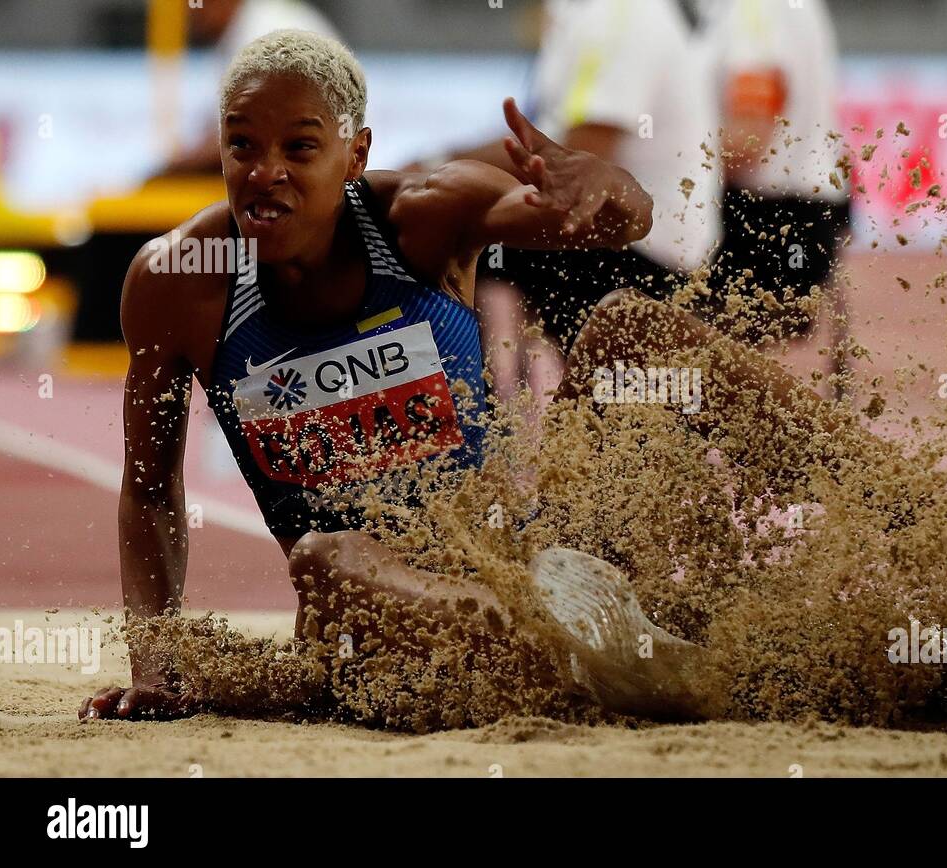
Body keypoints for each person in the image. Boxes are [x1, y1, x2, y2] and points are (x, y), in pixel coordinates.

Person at [78, 29, 858, 724]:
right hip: (384, 640)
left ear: (355, 155)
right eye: (241, 145)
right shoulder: (178, 281)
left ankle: (897, 508)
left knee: (630, 326)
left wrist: (606, 186)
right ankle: (591, 664)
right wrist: (156, 668)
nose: (265, 173)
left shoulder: (425, 215)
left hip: (541, 572)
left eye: (299, 149)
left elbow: (621, 220)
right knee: (325, 557)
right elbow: (149, 488)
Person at [415, 0, 723, 401]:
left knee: (450, 233)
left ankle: (485, 415)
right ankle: (489, 407)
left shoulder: (621, 16)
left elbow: (576, 160)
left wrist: (434, 168)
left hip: (644, 259)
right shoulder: (591, 15)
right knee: (459, 220)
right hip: (626, 244)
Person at [704, 0, 852, 392]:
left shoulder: (752, 13)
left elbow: (749, 138)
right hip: (812, 211)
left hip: (771, 221)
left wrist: (660, 164)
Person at [158, 0, 339, 176]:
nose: (189, 11)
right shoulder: (238, 32)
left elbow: (257, 133)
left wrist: (172, 171)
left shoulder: (267, 31)